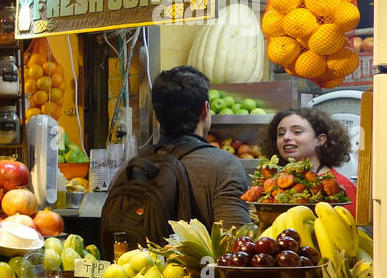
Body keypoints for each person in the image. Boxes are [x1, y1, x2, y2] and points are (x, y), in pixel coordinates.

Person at [102, 66, 251, 242]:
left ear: (156, 117)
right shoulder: (225, 167)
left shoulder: (133, 167)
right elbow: (236, 245)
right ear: (205, 110)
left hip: (134, 268)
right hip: (199, 270)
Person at [260, 108, 357, 212]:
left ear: (320, 140)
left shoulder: (341, 186)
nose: (286, 137)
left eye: (297, 132)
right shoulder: (271, 185)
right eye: (281, 133)